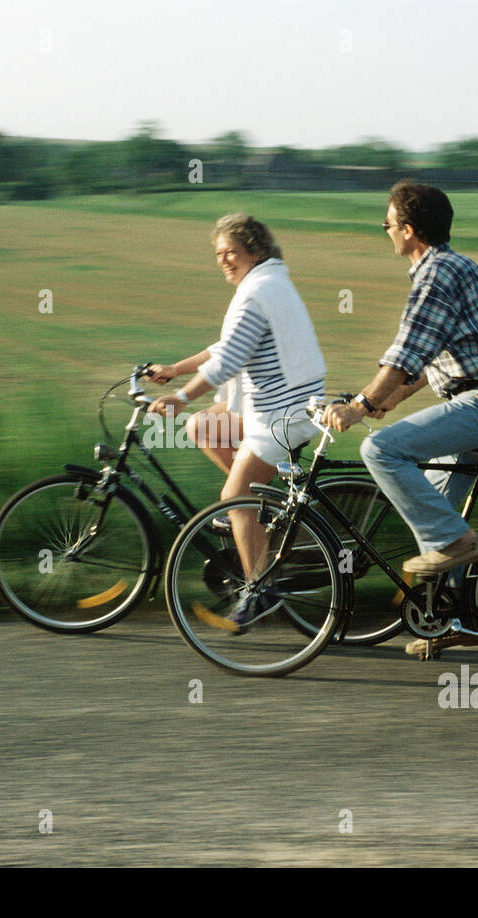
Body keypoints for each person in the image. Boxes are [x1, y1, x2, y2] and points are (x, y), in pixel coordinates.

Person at [323, 180, 478, 653]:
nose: (386, 232)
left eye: (388, 224)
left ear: (409, 230)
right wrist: (389, 399)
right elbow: (432, 358)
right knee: (439, 509)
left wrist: (362, 407)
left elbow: (405, 354)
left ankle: (458, 546)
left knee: (380, 448)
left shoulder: (437, 274)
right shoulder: (448, 266)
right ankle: (457, 620)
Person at [146, 213, 326, 629]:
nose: (225, 260)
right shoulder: (267, 283)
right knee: (202, 426)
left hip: (282, 414)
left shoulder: (257, 291)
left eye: (232, 252)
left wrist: (182, 396)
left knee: (233, 497)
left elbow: (229, 359)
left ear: (255, 250)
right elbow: (227, 345)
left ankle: (259, 589)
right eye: (219, 254)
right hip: (281, 405)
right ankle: (263, 512)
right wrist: (175, 369)